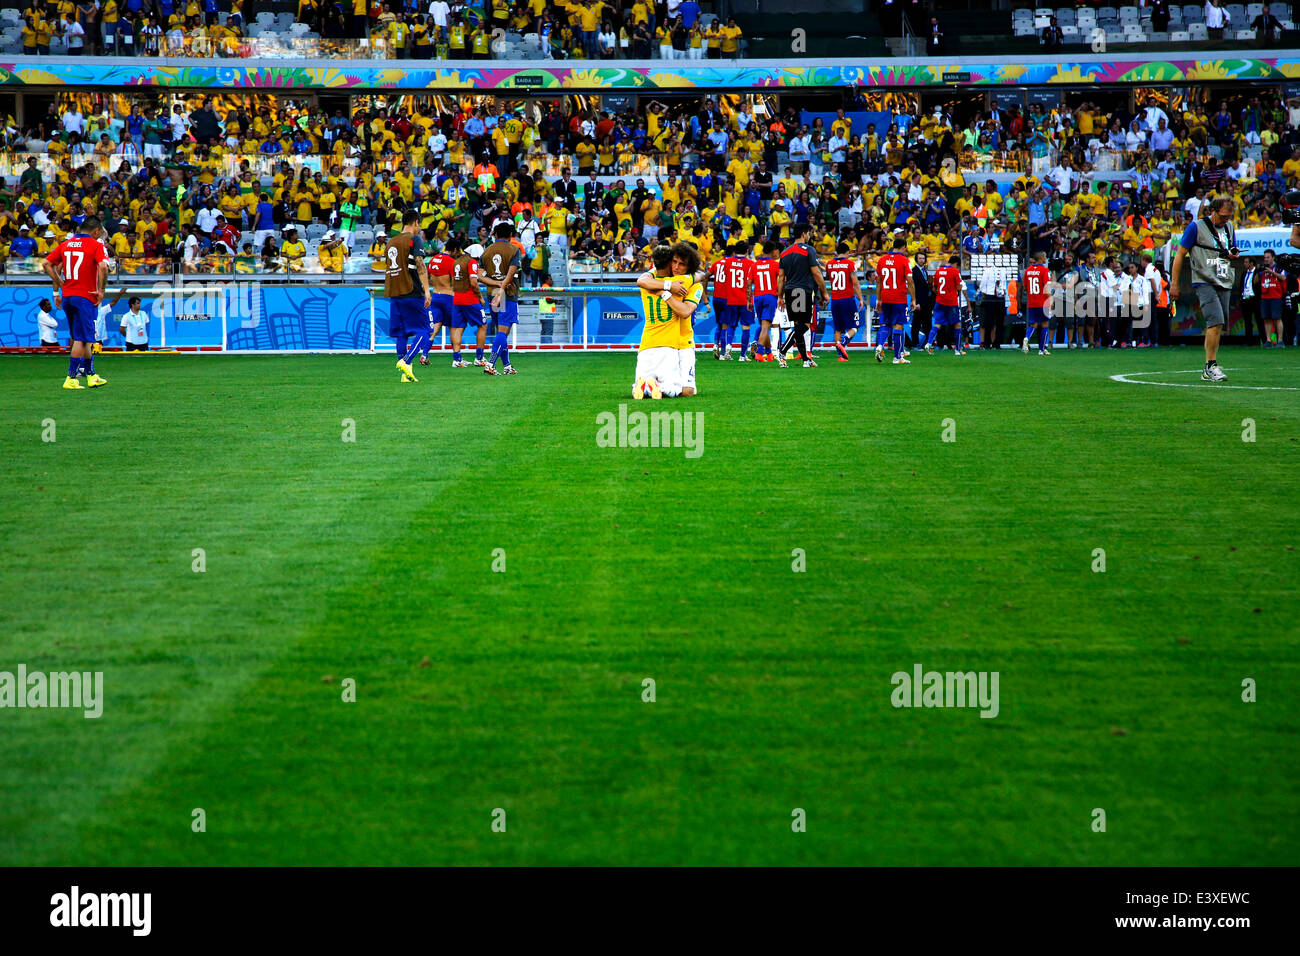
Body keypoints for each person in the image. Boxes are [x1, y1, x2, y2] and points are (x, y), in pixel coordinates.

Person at [1170, 196, 1238, 382]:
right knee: (1215, 320)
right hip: (1203, 279)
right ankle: (1210, 365)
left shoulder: (1230, 227)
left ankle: (1211, 364)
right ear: (1212, 211)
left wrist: (1233, 254)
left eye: (1229, 216)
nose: (1226, 219)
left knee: (1220, 322)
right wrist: (1174, 284)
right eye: (1223, 216)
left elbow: (1230, 249)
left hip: (1223, 279)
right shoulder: (1195, 227)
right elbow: (1180, 254)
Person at [42, 216, 109, 389]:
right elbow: (103, 267)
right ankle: (71, 377)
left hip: (69, 296)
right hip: (85, 297)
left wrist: (59, 287)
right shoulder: (96, 245)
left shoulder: (66, 244)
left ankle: (91, 375)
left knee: (83, 337)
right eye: (99, 232)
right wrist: (101, 290)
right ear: (95, 231)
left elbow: (47, 264)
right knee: (82, 338)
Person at [633, 243, 703, 399]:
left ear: (689, 266)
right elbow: (643, 279)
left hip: (684, 342)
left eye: (682, 264)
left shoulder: (693, 285)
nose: (676, 267)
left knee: (686, 392)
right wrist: (668, 286)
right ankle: (655, 386)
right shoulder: (667, 279)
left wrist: (664, 292)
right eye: (674, 261)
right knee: (673, 387)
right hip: (667, 342)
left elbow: (685, 311)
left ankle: (646, 386)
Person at [383, 208, 433, 383]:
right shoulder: (414, 239)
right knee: (425, 331)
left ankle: (406, 374)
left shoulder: (391, 242)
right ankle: (406, 361)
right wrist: (427, 291)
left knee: (402, 333)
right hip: (411, 291)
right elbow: (420, 264)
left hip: (394, 292)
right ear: (416, 223)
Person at [775, 222, 826, 368]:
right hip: (803, 290)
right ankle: (782, 351)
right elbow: (816, 273)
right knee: (804, 326)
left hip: (789, 291)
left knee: (798, 326)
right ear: (804, 234)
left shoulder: (784, 252)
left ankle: (805, 360)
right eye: (809, 233)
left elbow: (781, 277)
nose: (810, 236)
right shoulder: (808, 250)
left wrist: (780, 296)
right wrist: (824, 292)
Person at [480, 221, 522, 375]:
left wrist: (496, 284)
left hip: (492, 294)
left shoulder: (487, 251)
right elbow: (511, 274)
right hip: (507, 295)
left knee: (501, 331)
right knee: (503, 332)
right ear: (510, 235)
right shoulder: (514, 250)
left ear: (495, 235)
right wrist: (502, 288)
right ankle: (490, 364)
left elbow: (480, 275)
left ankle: (507, 366)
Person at [874, 237, 916, 365]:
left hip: (885, 296)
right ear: (903, 247)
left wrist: (878, 299)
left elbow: (879, 281)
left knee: (886, 324)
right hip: (899, 298)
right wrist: (913, 299)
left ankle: (880, 345)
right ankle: (898, 357)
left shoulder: (882, 260)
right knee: (898, 325)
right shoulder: (904, 260)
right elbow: (910, 281)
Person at [448, 235, 488, 368]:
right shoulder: (472, 263)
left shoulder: (456, 262)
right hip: (470, 298)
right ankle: (479, 357)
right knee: (483, 325)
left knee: (458, 328)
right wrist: (480, 298)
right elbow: (474, 283)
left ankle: (457, 359)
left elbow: (453, 282)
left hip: (457, 299)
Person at [825, 242, 864, 362]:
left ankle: (841, 356)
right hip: (847, 299)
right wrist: (860, 298)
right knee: (855, 326)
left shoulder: (829, 264)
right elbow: (855, 282)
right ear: (847, 253)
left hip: (835, 299)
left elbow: (829, 278)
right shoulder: (849, 263)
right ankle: (843, 343)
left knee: (838, 328)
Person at [747, 238, 781, 363]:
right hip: (770, 296)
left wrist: (748, 300)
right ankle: (760, 353)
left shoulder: (755, 265)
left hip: (758, 297)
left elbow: (749, 282)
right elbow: (782, 279)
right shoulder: (775, 264)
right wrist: (780, 294)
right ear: (773, 251)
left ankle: (769, 353)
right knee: (766, 326)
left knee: (763, 325)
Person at [926, 255, 966, 356]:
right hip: (951, 303)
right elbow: (959, 287)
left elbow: (934, 288)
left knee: (937, 324)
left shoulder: (939, 270)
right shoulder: (955, 271)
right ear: (956, 264)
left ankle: (929, 343)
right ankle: (958, 349)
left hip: (939, 301)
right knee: (957, 324)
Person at [1021, 251, 1052, 356]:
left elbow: (1025, 287)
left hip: (1032, 302)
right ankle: (1042, 349)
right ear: (1041, 258)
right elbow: (1047, 287)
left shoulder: (1028, 270)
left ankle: (1026, 338)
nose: (1046, 258)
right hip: (1042, 302)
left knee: (1033, 324)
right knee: (1045, 324)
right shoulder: (1044, 270)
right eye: (1045, 256)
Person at [1258, 249, 1287, 348]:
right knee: (1267, 319)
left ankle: (1280, 341)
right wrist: (1258, 271)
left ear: (1273, 258)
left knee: (1277, 318)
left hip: (1276, 296)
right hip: (1265, 296)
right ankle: (1268, 340)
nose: (1266, 259)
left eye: (1268, 257)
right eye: (1265, 257)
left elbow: (1283, 278)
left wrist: (1271, 272)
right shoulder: (1263, 269)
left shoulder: (1278, 268)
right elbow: (1255, 281)